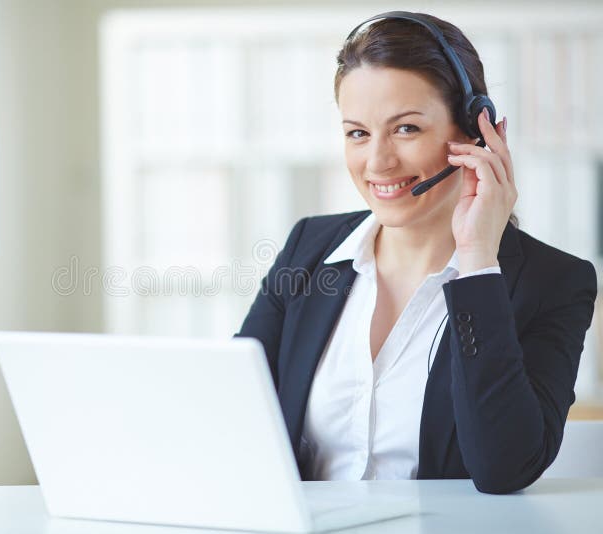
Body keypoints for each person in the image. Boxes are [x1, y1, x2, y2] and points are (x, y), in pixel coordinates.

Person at [235, 11, 597, 495]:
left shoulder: (553, 282)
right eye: (358, 133)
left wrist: (477, 265)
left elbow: (504, 468)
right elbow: (235, 414)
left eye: (406, 129)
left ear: (475, 129)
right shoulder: (309, 250)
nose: (378, 162)